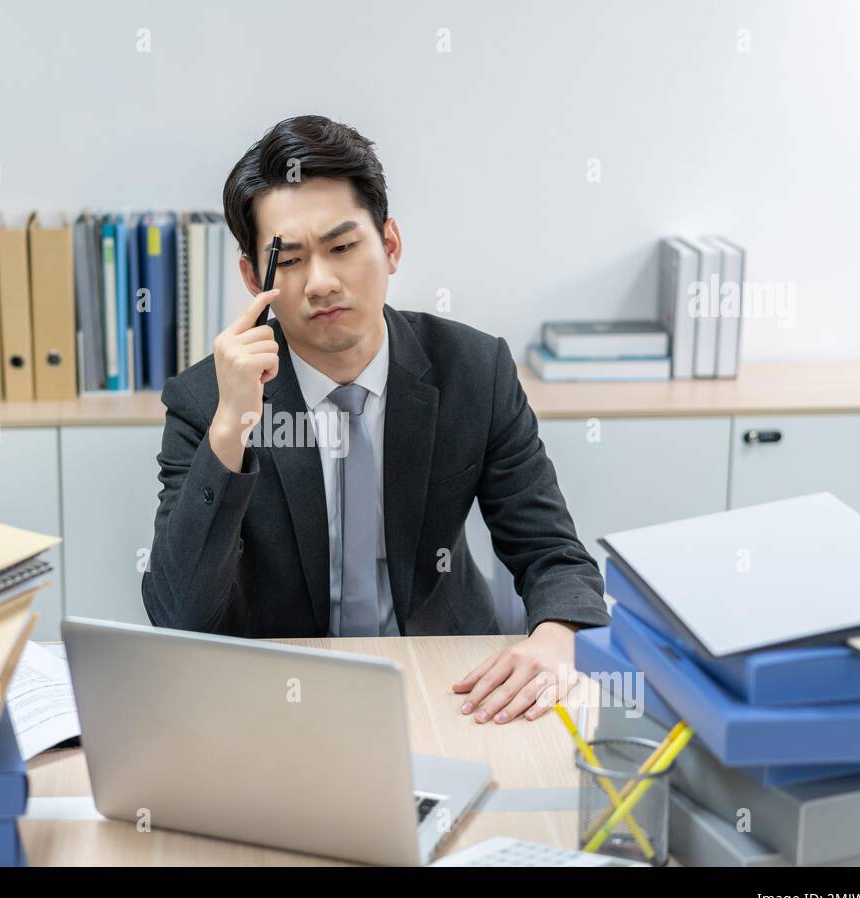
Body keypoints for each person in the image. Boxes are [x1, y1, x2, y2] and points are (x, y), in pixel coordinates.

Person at [142, 115, 609, 724]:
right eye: (291, 261)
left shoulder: (474, 370)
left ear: (389, 245)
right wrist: (230, 429)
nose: (321, 283)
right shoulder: (208, 400)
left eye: (342, 247)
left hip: (450, 684)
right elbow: (180, 617)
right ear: (254, 277)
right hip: (280, 696)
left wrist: (555, 637)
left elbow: (552, 553)